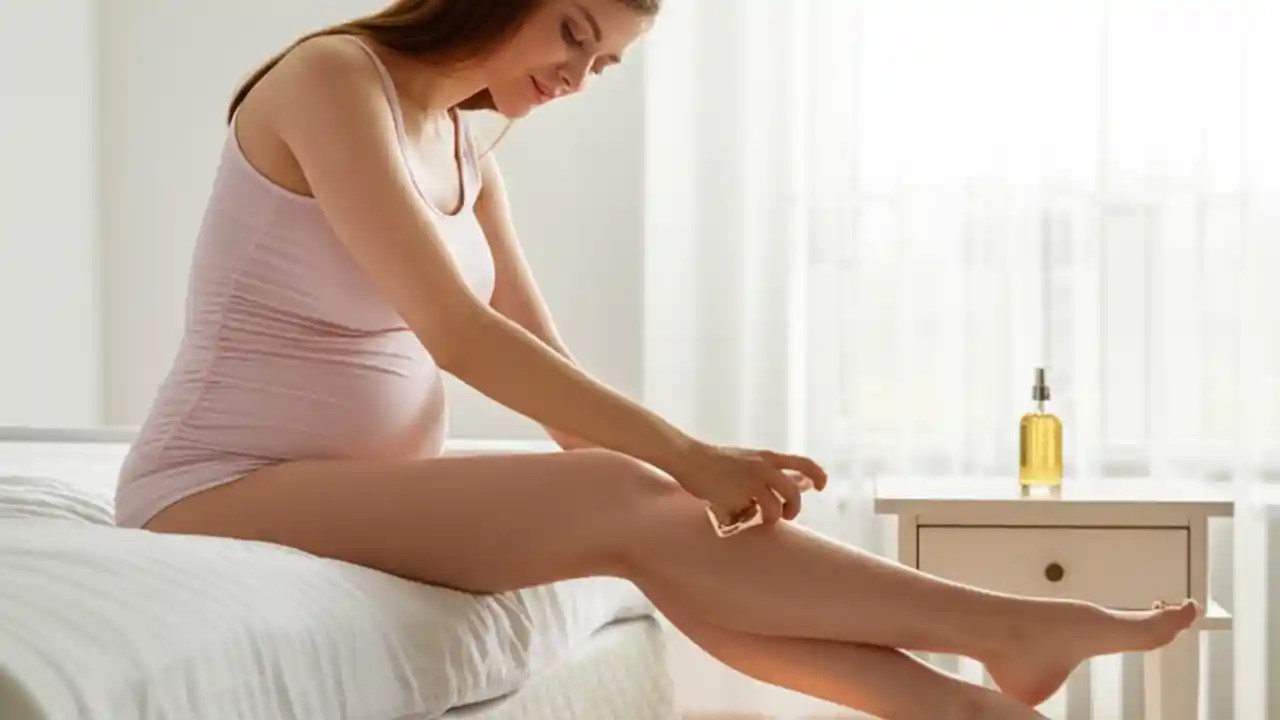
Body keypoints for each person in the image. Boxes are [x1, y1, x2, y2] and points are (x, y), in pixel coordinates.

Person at [115, 1, 1199, 717]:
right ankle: (1001, 626)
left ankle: (963, 705)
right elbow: (458, 333)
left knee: (654, 529)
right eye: (572, 32)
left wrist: (695, 495)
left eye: (604, 61)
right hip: (213, 488)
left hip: (348, 491)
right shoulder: (329, 78)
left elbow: (542, 358)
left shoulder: (466, 152)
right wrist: (686, 458)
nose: (577, 75)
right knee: (630, 495)